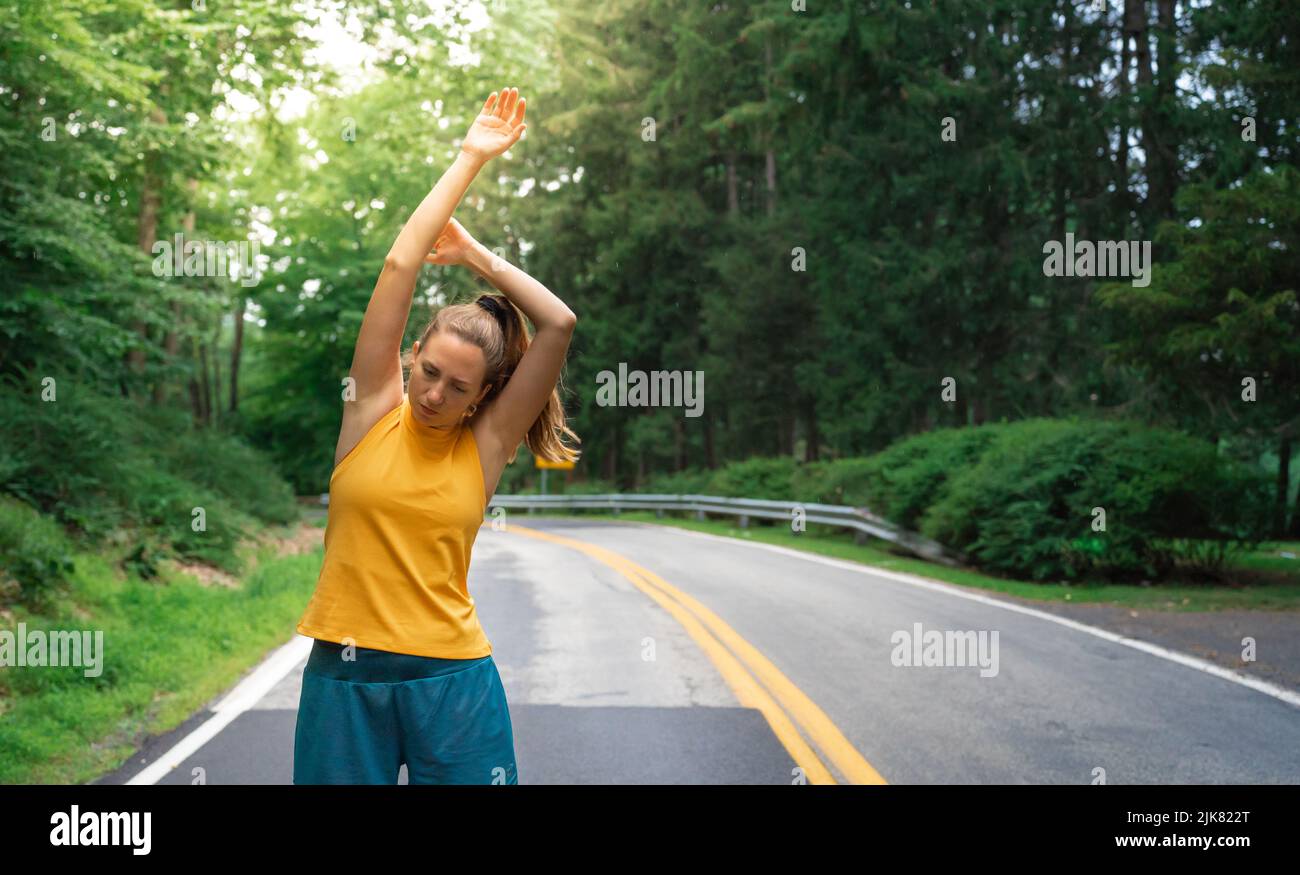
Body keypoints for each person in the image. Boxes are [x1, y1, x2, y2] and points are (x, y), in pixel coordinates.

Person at [292, 86, 581, 784]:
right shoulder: (369, 411)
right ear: (411, 356)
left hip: (453, 681)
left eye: (457, 387)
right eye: (427, 372)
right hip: (344, 677)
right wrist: (469, 158)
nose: (433, 394)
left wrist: (478, 255)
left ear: (484, 395)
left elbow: (560, 324)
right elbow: (399, 266)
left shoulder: (485, 446)